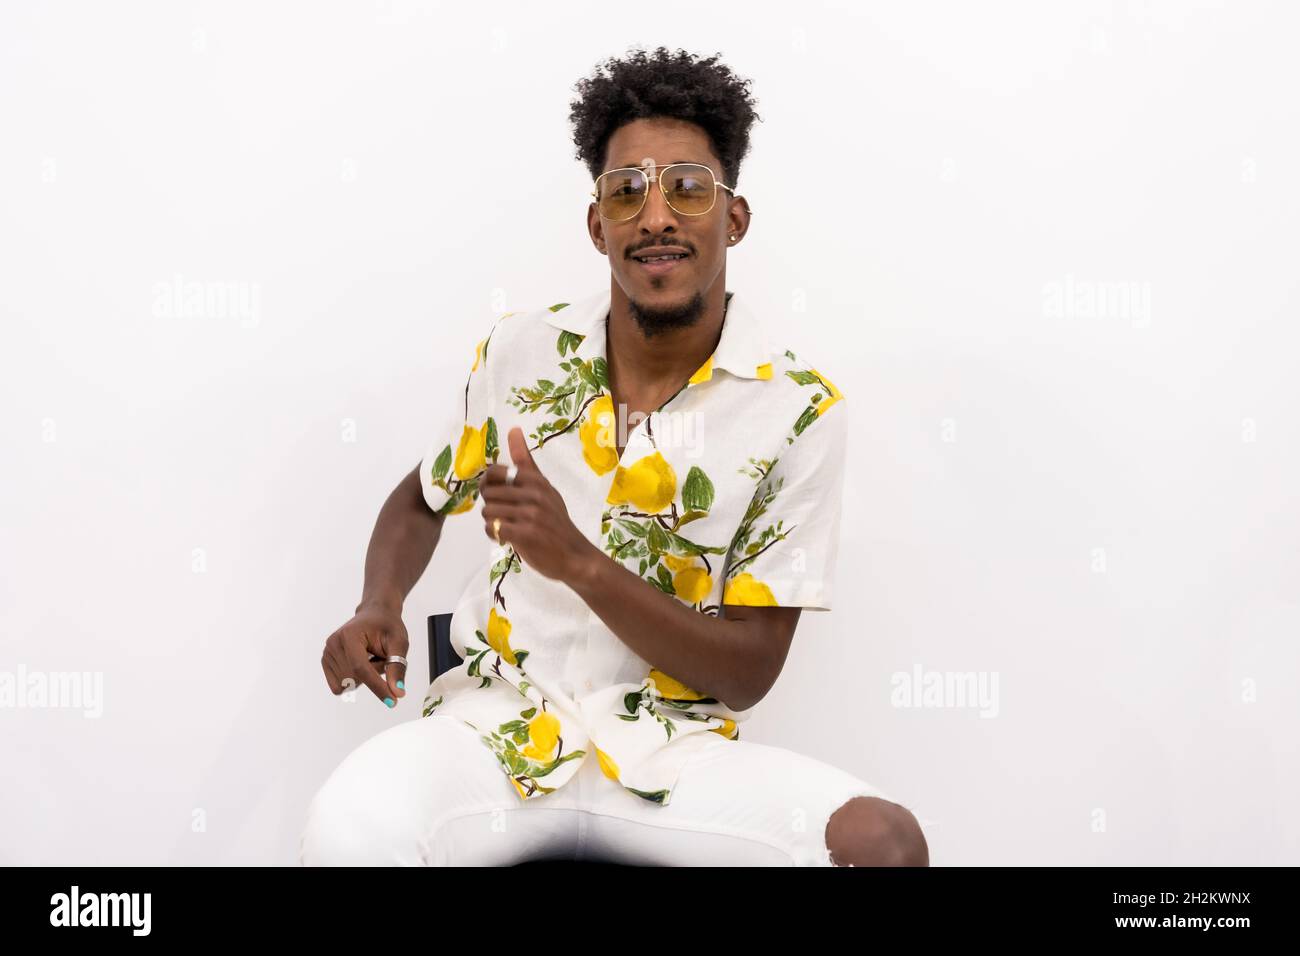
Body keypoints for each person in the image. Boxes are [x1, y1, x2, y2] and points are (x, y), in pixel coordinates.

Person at [300, 45, 930, 866]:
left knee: (881, 843)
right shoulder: (522, 351)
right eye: (626, 190)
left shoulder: (797, 410)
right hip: (492, 739)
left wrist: (579, 563)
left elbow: (746, 673)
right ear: (598, 224)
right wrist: (376, 602)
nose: (656, 216)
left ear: (732, 218)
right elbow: (423, 498)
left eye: (688, 189)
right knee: (351, 822)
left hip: (670, 762)